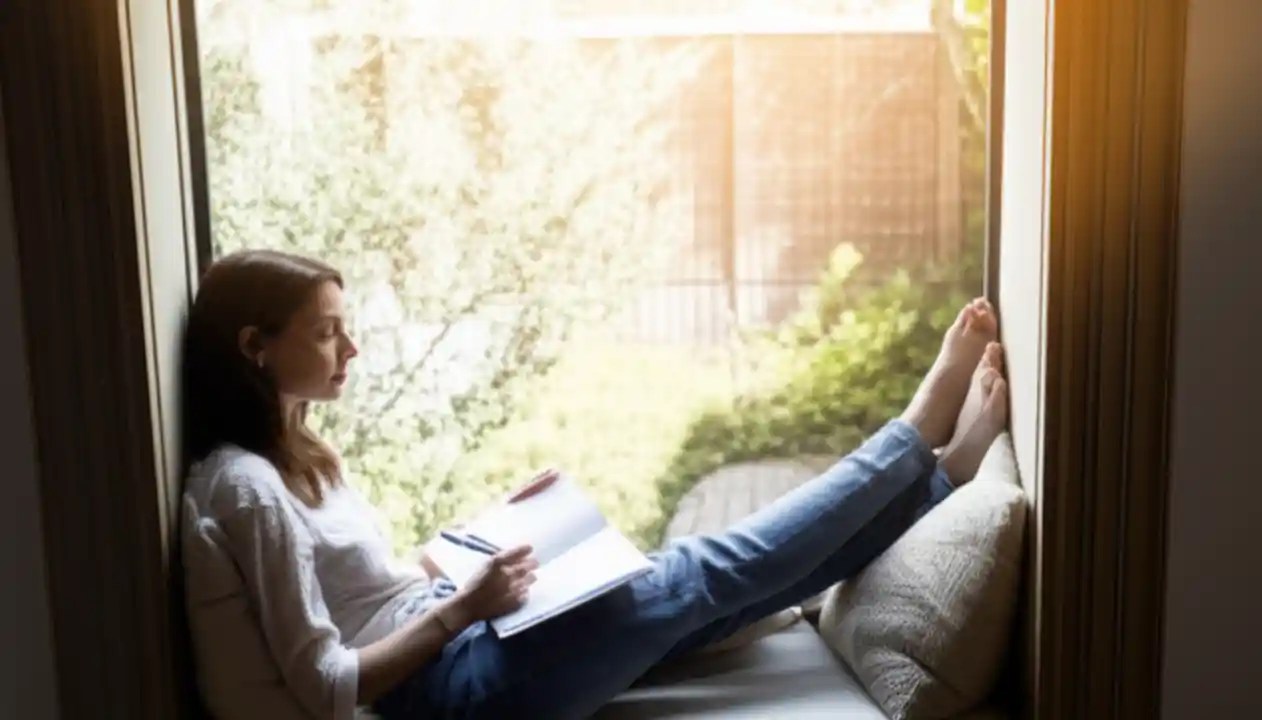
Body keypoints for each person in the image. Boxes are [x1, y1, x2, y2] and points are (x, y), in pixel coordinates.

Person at [182, 249, 1008, 720]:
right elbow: (329, 686)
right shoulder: (245, 490)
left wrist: (493, 525)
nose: (351, 350)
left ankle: (934, 480)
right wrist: (466, 607)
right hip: (450, 693)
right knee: (706, 571)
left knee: (716, 594)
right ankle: (916, 432)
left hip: (457, 651)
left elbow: (366, 594)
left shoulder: (296, 454)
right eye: (327, 333)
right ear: (256, 346)